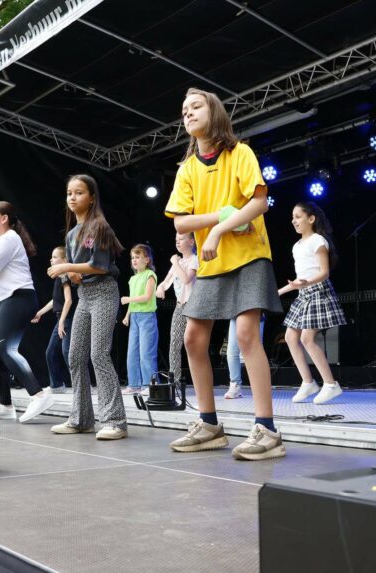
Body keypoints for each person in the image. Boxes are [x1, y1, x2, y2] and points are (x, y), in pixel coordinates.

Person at [165, 87, 285, 461]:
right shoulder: (187, 170)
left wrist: (218, 230)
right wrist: (221, 217)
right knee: (193, 340)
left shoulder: (240, 153)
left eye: (196, 106)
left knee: (247, 335)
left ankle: (267, 430)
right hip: (214, 264)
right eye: (184, 110)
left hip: (249, 256)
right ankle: (209, 425)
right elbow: (181, 222)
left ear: (214, 112)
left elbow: (260, 202)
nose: (188, 113)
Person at [47, 174, 128, 440]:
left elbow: (99, 266)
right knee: (74, 356)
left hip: (104, 291)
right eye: (69, 193)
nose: (72, 197)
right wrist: (71, 274)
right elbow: (79, 270)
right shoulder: (72, 234)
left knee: (99, 355)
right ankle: (81, 419)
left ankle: (115, 421)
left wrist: (67, 267)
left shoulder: (98, 227)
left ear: (91, 197)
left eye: (79, 192)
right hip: (85, 295)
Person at [0, 201, 55, 423]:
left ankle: (39, 394)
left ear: (4, 218)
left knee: (6, 348)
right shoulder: (5, 241)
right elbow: (2, 284)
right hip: (10, 299)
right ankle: (5, 404)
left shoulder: (8, 238)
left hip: (19, 300)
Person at [278, 202, 346, 404]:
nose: (294, 221)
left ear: (311, 219)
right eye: (292, 217)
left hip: (318, 291)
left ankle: (331, 384)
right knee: (291, 337)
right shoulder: (296, 246)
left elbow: (324, 272)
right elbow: (299, 280)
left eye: (298, 216)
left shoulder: (318, 240)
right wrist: (279, 292)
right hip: (303, 293)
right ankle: (308, 382)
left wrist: (306, 282)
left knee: (307, 338)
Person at [32, 246, 76, 393]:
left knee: (67, 352)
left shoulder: (64, 276)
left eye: (55, 257)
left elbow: (68, 300)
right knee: (50, 352)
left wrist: (62, 321)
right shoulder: (59, 278)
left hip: (68, 319)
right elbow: (56, 301)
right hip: (61, 319)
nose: (51, 259)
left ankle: (81, 384)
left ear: (64, 261)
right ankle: (56, 385)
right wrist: (40, 312)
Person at [156, 233, 199, 385]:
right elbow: (166, 281)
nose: (177, 242)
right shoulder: (178, 261)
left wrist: (175, 263)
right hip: (180, 305)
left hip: (192, 305)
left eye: (181, 239)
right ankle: (174, 381)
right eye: (176, 240)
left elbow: (186, 279)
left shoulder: (194, 259)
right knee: (174, 342)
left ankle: (199, 381)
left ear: (191, 242)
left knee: (192, 343)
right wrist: (160, 287)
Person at [121, 244, 159, 395]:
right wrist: (127, 315)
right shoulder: (133, 278)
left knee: (146, 353)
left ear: (147, 260)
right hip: (135, 317)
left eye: (138, 257)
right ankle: (134, 384)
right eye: (132, 258)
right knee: (132, 353)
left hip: (146, 318)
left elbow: (147, 297)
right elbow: (133, 302)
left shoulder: (150, 275)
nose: (134, 260)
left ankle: (149, 385)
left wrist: (128, 299)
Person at [223, 315, 265, 399]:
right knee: (232, 351)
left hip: (255, 308)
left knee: (255, 350)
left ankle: (260, 387)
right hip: (236, 311)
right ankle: (235, 385)